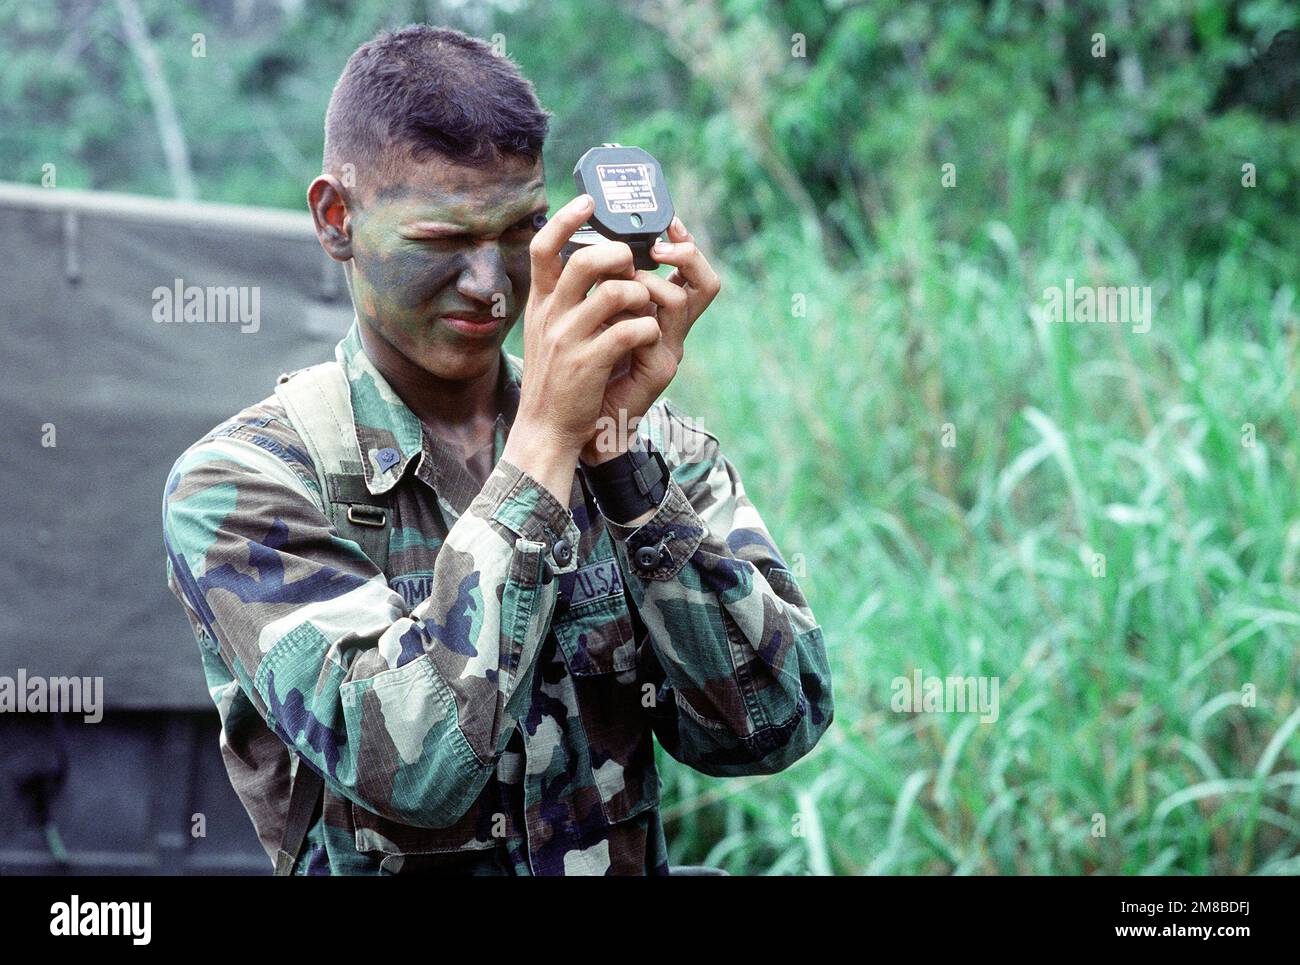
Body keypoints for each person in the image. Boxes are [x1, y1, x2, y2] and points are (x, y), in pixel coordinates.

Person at [161, 23, 832, 875]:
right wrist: (544, 442)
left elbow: (777, 721)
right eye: (440, 242)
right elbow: (417, 764)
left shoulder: (642, 443)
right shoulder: (245, 485)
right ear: (337, 218)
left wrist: (616, 458)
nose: (488, 285)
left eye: (518, 231)